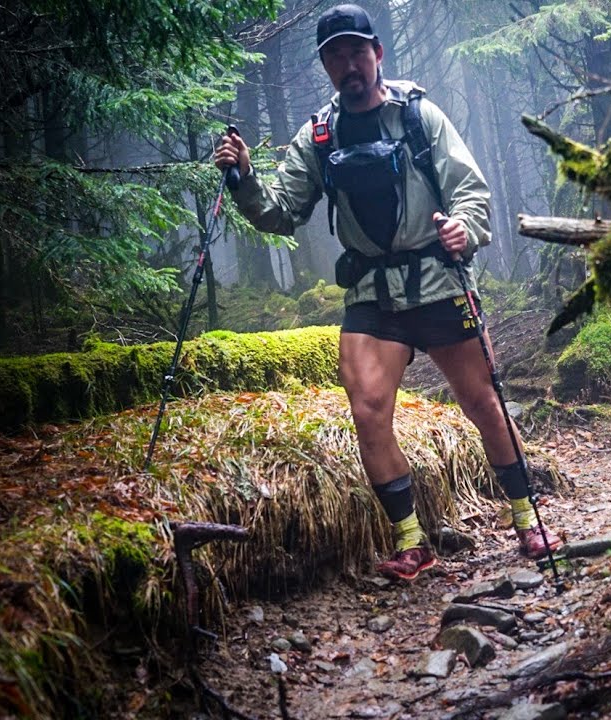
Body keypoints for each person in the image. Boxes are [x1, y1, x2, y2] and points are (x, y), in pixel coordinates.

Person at [214, 3, 561, 581]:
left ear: (377, 53)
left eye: (357, 52)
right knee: (367, 410)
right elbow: (281, 213)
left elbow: (471, 190)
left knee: (483, 403)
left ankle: (528, 521)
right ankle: (411, 543)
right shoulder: (318, 136)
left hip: (439, 280)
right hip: (371, 291)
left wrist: (464, 228)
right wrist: (245, 177)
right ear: (326, 65)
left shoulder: (420, 116)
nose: (348, 65)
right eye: (335, 56)